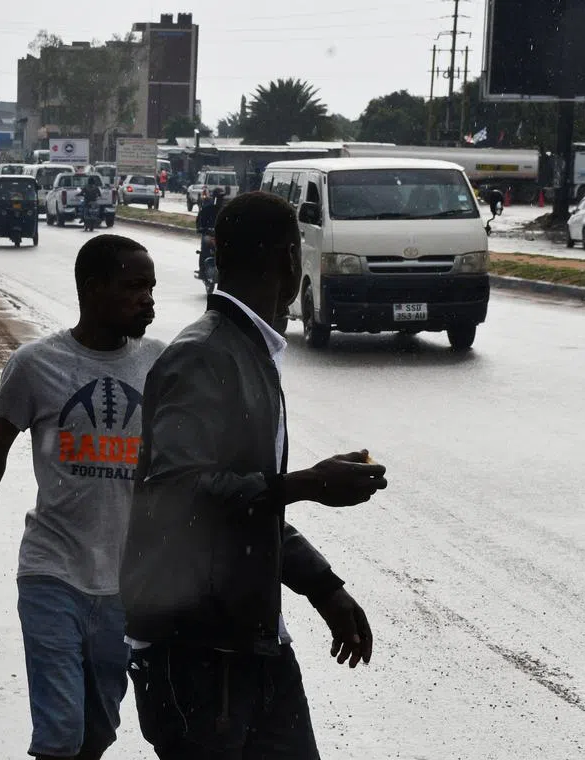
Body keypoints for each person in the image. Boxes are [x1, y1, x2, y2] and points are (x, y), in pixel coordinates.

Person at [121, 191, 389, 759]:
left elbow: (246, 500)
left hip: (249, 642)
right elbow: (178, 494)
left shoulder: (247, 350)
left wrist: (324, 587)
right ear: (289, 262)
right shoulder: (205, 356)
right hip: (197, 654)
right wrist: (309, 485)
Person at [0, 235, 162, 760]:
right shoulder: (37, 365)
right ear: (92, 289)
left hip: (125, 587)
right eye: (133, 287)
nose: (147, 300)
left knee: (97, 732)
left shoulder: (159, 366)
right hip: (51, 574)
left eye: (151, 287)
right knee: (60, 733)